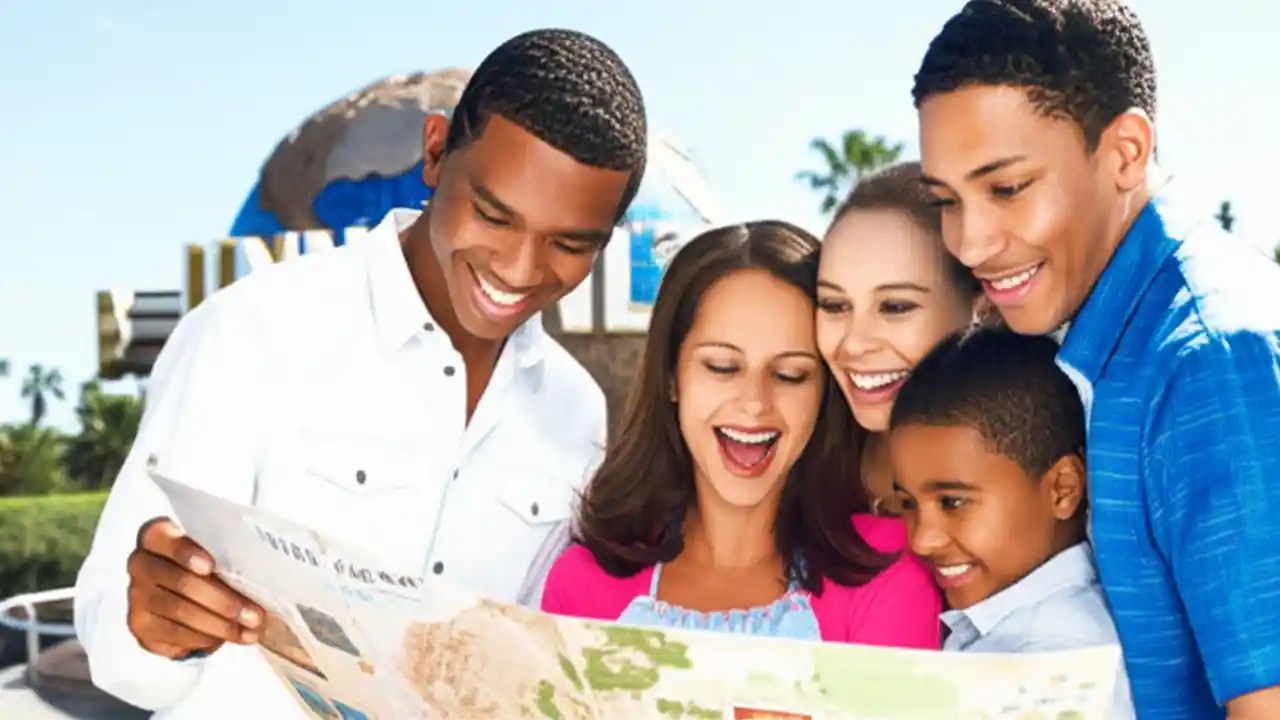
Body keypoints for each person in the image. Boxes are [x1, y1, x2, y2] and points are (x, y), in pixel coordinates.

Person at [74, 28, 648, 719]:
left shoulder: (575, 410)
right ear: (435, 152)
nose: (520, 270)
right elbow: (114, 646)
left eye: (568, 244)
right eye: (493, 215)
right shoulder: (251, 331)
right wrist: (155, 627)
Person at [912, 1, 1280, 716]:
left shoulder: (1206, 359)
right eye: (946, 200)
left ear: (1124, 154)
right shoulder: (1122, 340)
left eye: (1007, 188)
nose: (970, 241)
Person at [541, 221, 942, 647]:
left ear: (825, 391)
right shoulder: (582, 582)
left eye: (790, 375)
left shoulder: (888, 571)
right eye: (722, 367)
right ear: (671, 377)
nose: (754, 403)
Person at [889, 328, 1134, 718]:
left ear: (1062, 488)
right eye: (907, 503)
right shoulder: (1005, 630)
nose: (922, 539)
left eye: (953, 502)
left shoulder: (1059, 666)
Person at [814, 161, 986, 516]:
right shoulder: (798, 471)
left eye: (894, 307)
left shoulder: (1045, 472)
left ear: (980, 305)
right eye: (834, 304)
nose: (854, 343)